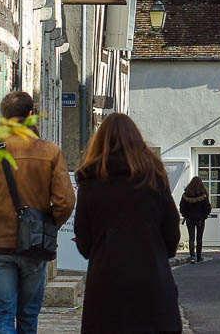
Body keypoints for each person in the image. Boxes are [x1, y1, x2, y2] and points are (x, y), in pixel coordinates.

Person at [0, 91, 75, 334]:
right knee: (27, 317)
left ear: (4, 119)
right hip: (35, 246)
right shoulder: (50, 152)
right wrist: (45, 226)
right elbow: (65, 202)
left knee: (3, 315)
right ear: (31, 115)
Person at [74, 112, 181, 334]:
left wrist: (101, 249)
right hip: (151, 273)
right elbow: (171, 227)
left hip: (106, 277)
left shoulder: (90, 181)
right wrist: (160, 251)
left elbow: (83, 238)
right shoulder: (154, 178)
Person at [179, 176, 212, 263]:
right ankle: (199, 256)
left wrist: (185, 215)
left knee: (191, 238)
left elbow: (182, 207)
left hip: (189, 218)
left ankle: (192, 256)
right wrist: (205, 215)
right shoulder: (203, 195)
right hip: (200, 218)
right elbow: (207, 207)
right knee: (199, 238)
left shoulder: (186, 194)